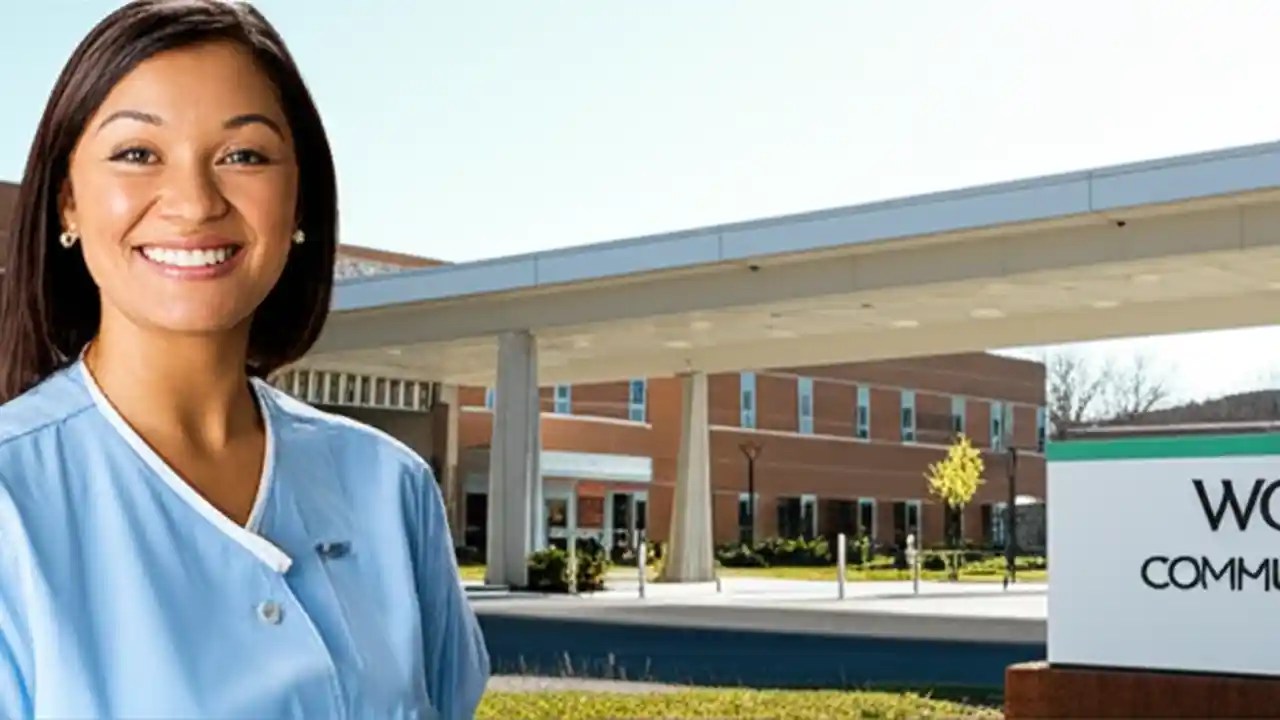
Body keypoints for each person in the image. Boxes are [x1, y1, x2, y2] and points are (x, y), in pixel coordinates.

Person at [0, 1, 490, 718]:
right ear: (68, 202)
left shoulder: (392, 488)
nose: (194, 203)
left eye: (244, 156)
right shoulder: (12, 498)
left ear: (298, 206)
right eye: (138, 154)